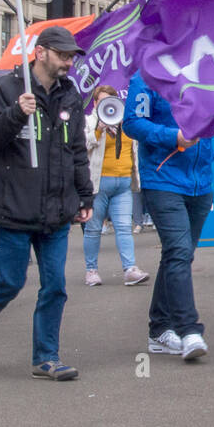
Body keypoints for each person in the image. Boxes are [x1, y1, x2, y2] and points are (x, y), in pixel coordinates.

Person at [0, 26, 94, 380]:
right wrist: (15, 113)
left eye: (71, 56)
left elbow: (77, 150)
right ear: (42, 52)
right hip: (11, 211)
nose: (68, 62)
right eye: (63, 55)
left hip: (57, 211)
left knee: (55, 285)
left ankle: (46, 356)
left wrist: (84, 194)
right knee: (8, 282)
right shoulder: (5, 89)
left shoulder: (70, 96)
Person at [123, 69, 214, 360]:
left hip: (201, 180)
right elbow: (132, 123)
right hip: (162, 177)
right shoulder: (146, 75)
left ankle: (159, 330)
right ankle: (189, 330)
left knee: (181, 254)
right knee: (177, 250)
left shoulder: (210, 68)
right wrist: (172, 136)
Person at [83, 85, 149, 288]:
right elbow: (83, 144)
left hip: (123, 183)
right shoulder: (89, 120)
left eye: (110, 101)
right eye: (102, 101)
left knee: (123, 228)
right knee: (93, 229)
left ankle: (130, 269)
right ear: (95, 104)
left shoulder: (125, 122)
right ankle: (91, 270)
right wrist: (99, 129)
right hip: (98, 183)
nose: (107, 105)